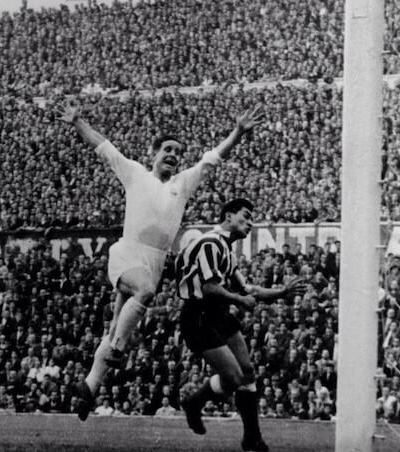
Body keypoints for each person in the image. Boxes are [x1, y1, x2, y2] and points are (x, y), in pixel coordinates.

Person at [58, 100, 261, 421]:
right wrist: (77, 121)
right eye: (167, 149)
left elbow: (212, 160)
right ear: (153, 153)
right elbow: (105, 148)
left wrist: (237, 131)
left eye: (178, 152)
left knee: (115, 326)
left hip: (153, 263)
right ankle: (119, 350)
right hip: (128, 252)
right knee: (139, 300)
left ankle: (88, 388)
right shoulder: (136, 173)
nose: (172, 155)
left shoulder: (182, 185)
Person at [175, 197, 307, 452]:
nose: (250, 223)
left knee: (247, 372)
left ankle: (252, 438)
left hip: (218, 314)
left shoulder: (225, 249)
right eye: (245, 216)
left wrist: (280, 292)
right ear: (228, 216)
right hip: (199, 315)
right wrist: (239, 299)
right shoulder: (210, 243)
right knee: (234, 377)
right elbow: (209, 287)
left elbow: (248, 289)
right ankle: (195, 402)